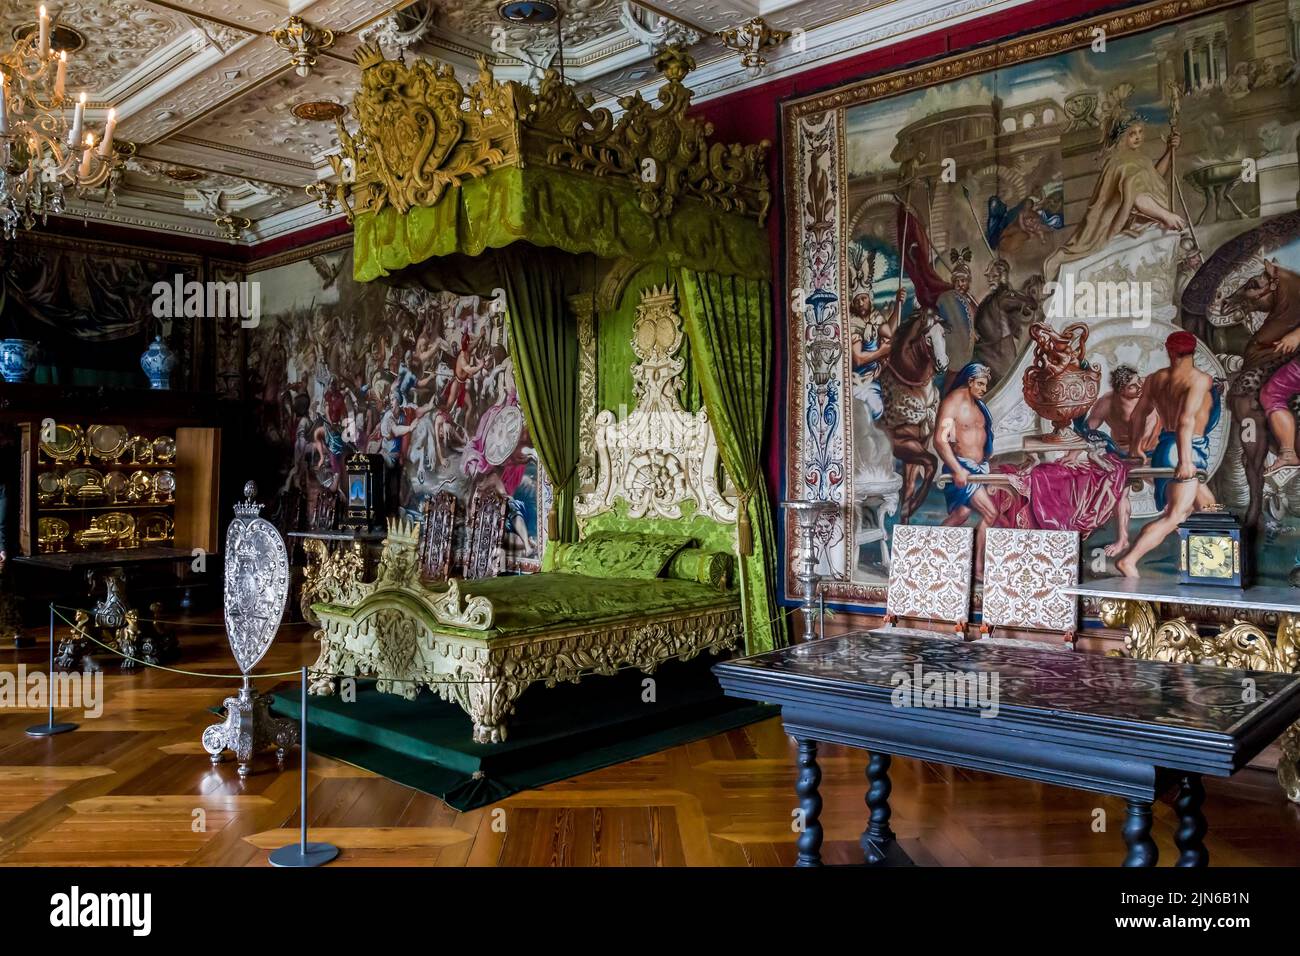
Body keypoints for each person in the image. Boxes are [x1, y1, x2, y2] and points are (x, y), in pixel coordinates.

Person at [1114, 331, 1219, 577]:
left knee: (1210, 509)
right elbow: (1185, 421)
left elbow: (1139, 414)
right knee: (1175, 516)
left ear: (1169, 351)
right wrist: (1185, 461)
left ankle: (1205, 568)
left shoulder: (1155, 379)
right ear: (1193, 351)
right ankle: (1129, 560)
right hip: (1184, 450)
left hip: (1167, 447)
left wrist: (1136, 447)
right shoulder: (1199, 380)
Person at [1044, 117, 1186, 278]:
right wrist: (1166, 215)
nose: (1138, 137)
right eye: (1132, 134)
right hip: (1122, 223)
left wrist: (1169, 150)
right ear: (1121, 137)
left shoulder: (1140, 159)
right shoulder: (1119, 163)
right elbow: (1137, 197)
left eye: (1140, 132)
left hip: (1145, 219)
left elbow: (1155, 179)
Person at [934, 363, 999, 568]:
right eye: (979, 384)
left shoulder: (978, 404)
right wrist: (957, 469)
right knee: (991, 513)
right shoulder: (953, 402)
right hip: (963, 467)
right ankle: (978, 567)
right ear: (969, 381)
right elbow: (940, 440)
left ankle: (931, 550)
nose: (983, 389)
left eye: (985, 385)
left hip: (978, 469)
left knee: (961, 514)